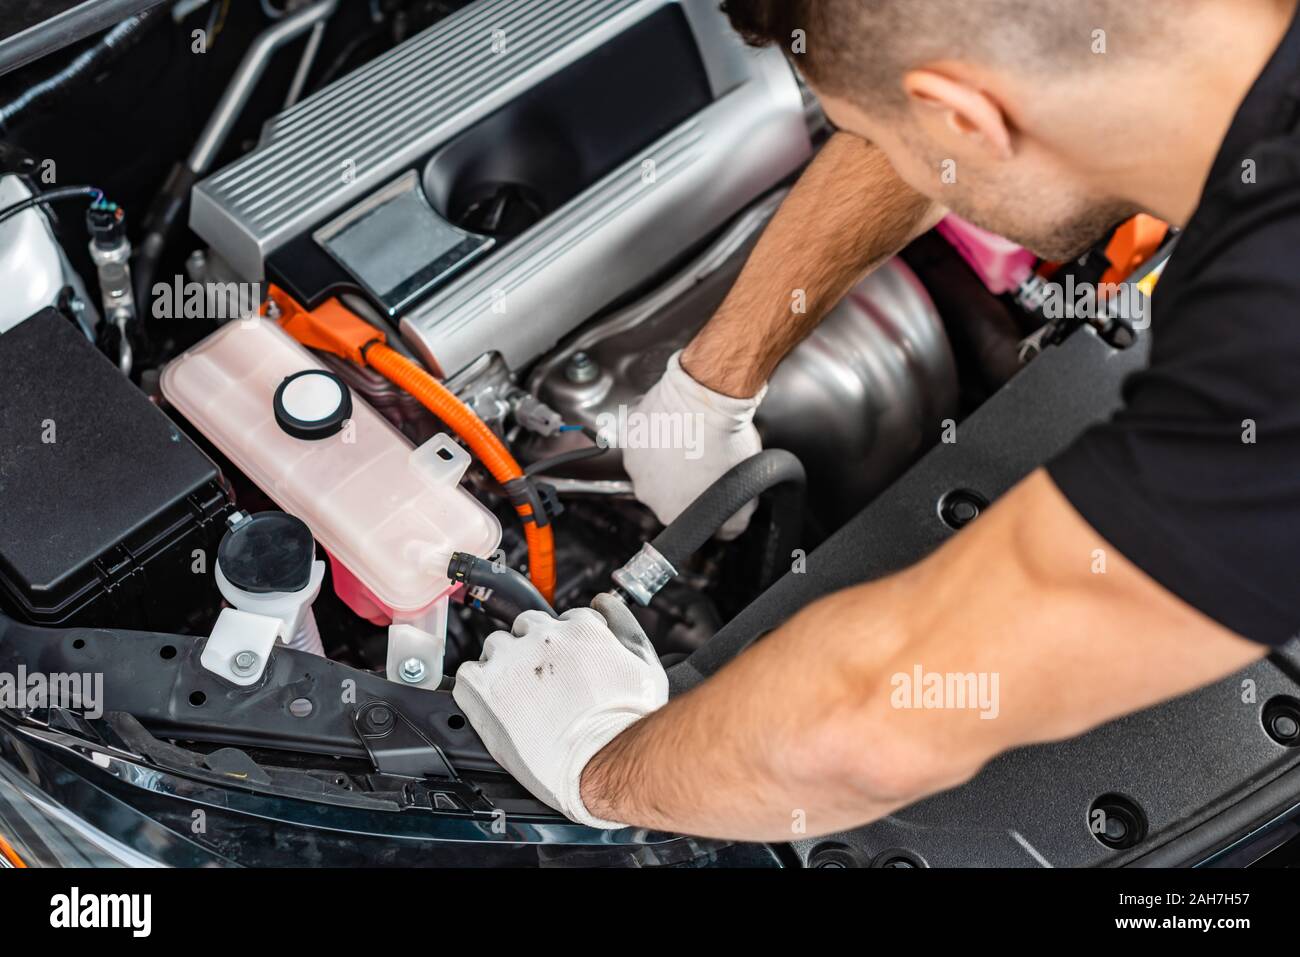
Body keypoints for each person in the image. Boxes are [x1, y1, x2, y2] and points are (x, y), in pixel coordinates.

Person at [452, 0, 1300, 839]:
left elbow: (872, 724)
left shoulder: (1267, 350)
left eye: (896, 141)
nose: (898, 163)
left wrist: (594, 760)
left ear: (967, 118)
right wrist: (713, 379)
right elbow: (946, 107)